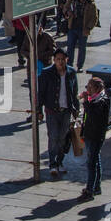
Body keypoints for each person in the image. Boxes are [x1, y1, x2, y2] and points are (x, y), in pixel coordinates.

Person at [37, 48, 79, 176]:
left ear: (67, 60)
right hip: (52, 111)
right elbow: (41, 93)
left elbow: (74, 92)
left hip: (66, 110)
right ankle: (52, 163)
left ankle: (60, 161)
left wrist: (76, 108)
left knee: (62, 138)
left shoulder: (71, 72)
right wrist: (39, 109)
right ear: (54, 60)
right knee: (53, 137)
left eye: (63, 59)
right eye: (58, 59)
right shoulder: (46, 73)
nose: (60, 62)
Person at [77, 76, 109, 200]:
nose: (88, 89)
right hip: (89, 134)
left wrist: (85, 101)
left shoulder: (102, 100)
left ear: (98, 88)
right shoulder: (93, 98)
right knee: (95, 160)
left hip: (96, 135)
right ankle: (96, 186)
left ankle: (90, 190)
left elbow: (93, 113)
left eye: (90, 87)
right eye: (87, 87)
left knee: (91, 163)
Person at [63, 0, 97, 72]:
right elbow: (65, 8)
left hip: (83, 28)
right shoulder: (71, 0)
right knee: (70, 47)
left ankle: (80, 66)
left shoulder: (91, 3)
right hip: (72, 27)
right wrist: (68, 12)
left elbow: (94, 17)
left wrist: (89, 28)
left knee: (82, 48)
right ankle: (69, 65)